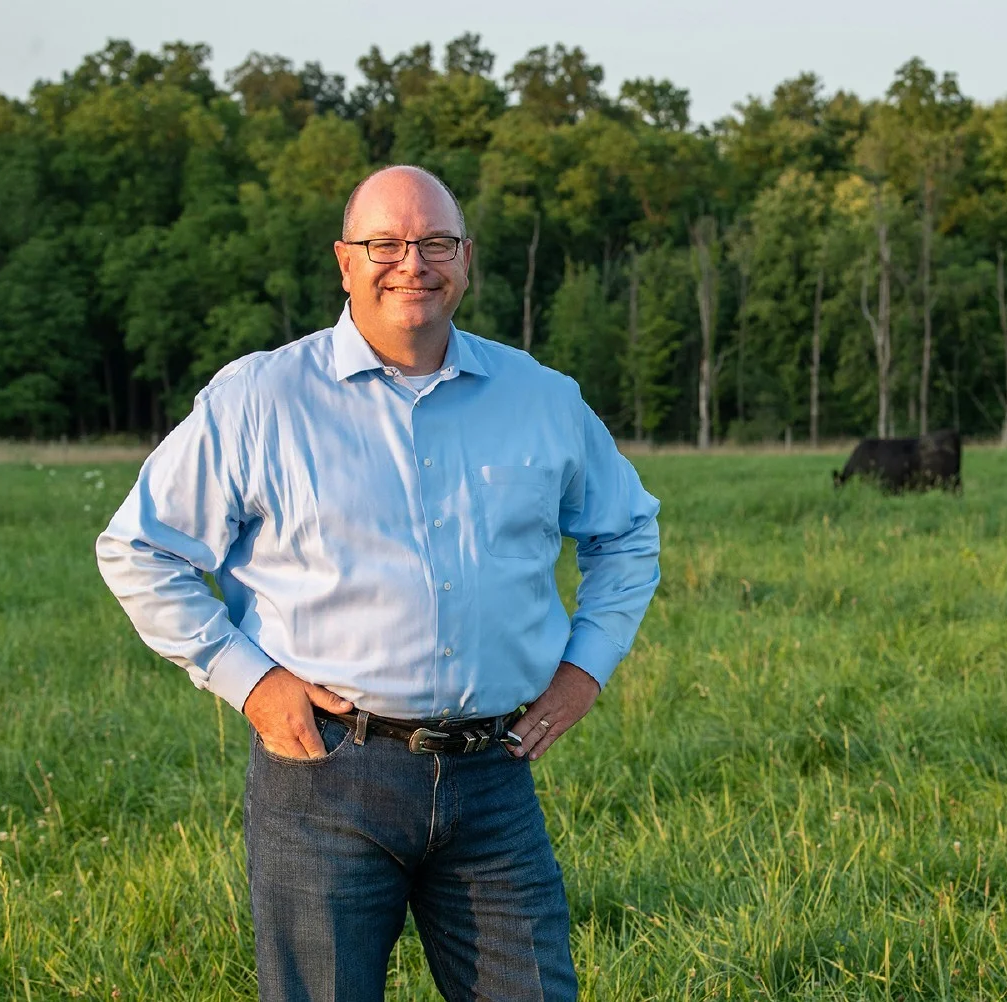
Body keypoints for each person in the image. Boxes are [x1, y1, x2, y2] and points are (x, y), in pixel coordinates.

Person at [96, 164, 661, 1002]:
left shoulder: (541, 397)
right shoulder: (260, 398)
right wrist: (251, 683)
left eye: (435, 242)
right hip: (326, 771)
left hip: (493, 775)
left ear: (466, 257)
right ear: (345, 260)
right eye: (385, 244)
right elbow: (139, 549)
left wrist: (584, 670)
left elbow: (627, 531)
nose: (413, 263)